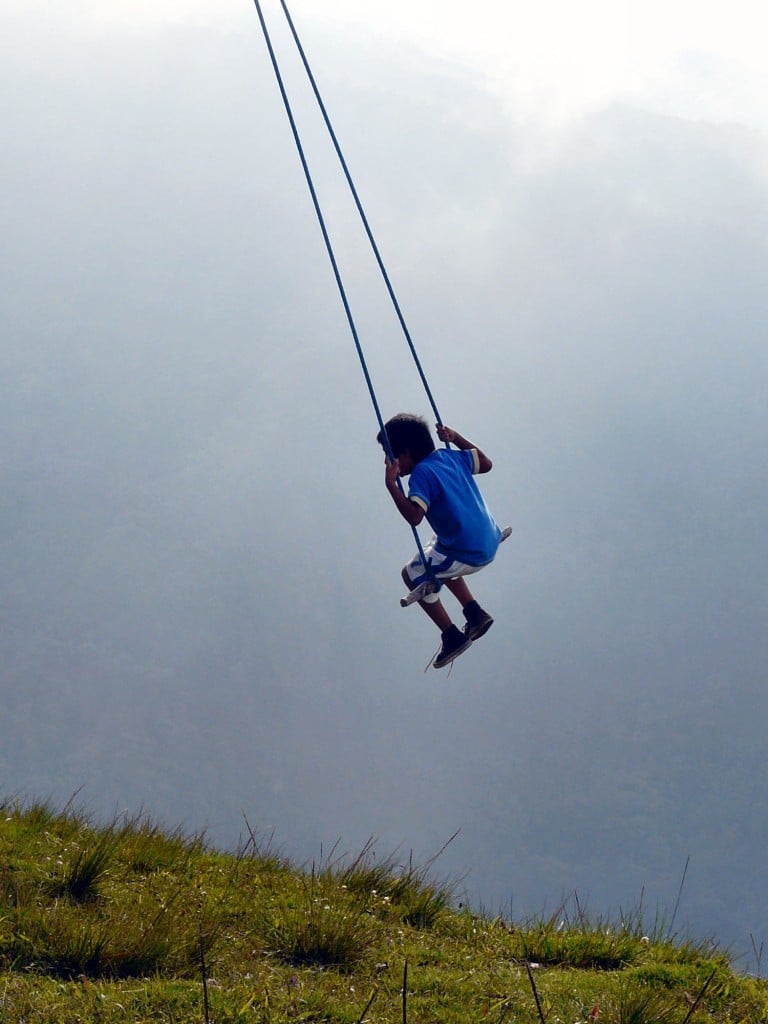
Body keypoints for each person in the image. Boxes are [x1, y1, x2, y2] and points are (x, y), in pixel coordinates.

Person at [378, 413, 502, 669]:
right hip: (489, 538)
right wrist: (455, 438)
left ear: (405, 454)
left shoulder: (421, 474)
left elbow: (414, 517)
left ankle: (451, 636)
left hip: (469, 551)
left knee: (412, 573)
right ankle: (474, 612)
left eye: (390, 455)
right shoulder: (449, 457)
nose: (388, 461)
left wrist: (391, 485)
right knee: (436, 550)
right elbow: (487, 463)